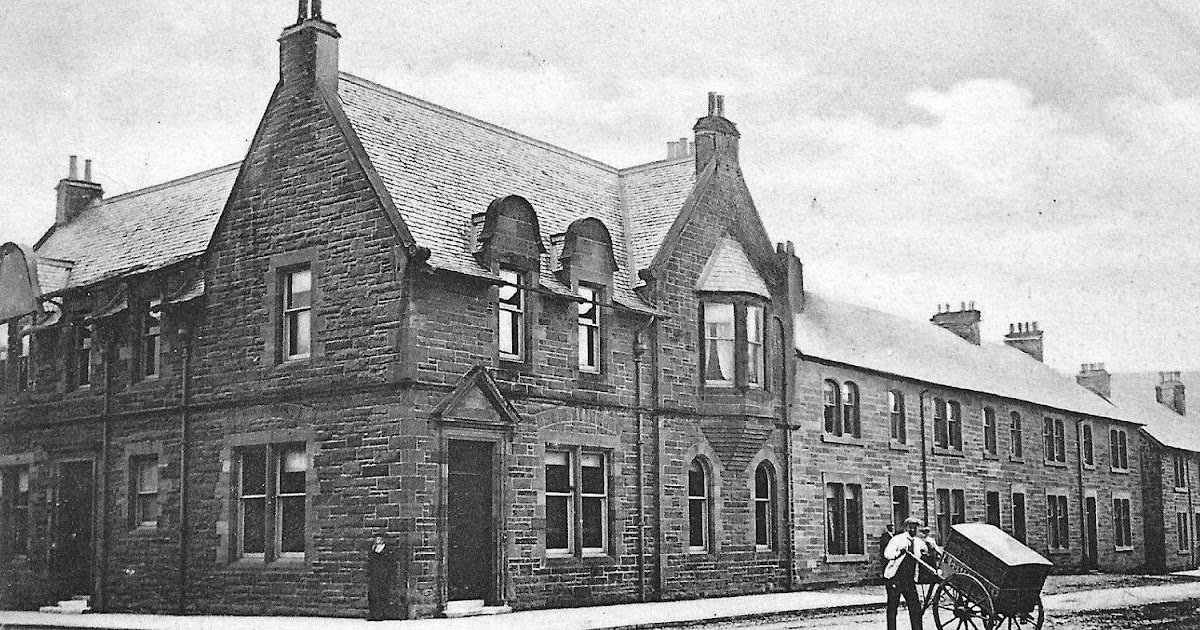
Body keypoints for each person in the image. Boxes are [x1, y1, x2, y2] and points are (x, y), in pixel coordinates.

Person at [883, 516, 927, 630]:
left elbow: (925, 552)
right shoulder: (897, 539)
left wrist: (927, 551)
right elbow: (887, 554)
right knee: (893, 607)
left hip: (909, 579)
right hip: (895, 577)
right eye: (910, 527)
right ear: (906, 528)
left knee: (915, 607)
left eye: (915, 528)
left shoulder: (918, 542)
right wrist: (899, 553)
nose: (912, 530)